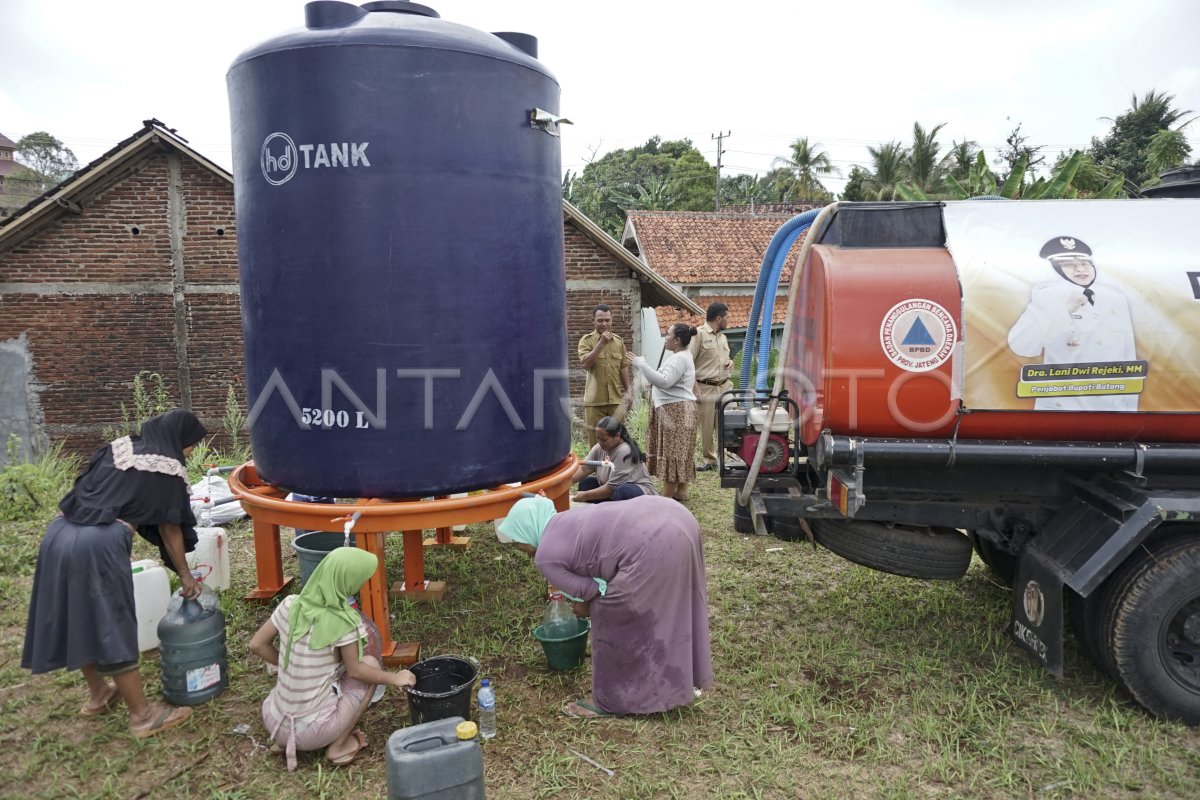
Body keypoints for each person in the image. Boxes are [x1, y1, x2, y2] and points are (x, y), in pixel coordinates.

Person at [21, 409, 208, 738]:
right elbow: (170, 529)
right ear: (181, 439)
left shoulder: (119, 447)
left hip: (59, 533)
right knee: (113, 621)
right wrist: (185, 575)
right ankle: (142, 716)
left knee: (78, 614)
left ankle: (98, 693)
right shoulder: (167, 466)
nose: (191, 452)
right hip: (98, 543)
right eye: (193, 445)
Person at [495, 495, 712, 718]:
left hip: (653, 540)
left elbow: (592, 591)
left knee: (611, 612)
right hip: (676, 515)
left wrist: (582, 607)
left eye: (518, 539)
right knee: (671, 603)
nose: (520, 547)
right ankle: (679, 678)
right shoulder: (564, 520)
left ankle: (613, 700)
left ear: (528, 527)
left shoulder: (544, 557)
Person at [249, 547, 416, 770]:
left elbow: (256, 644)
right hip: (313, 732)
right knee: (370, 665)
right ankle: (338, 746)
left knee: (291, 690)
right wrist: (395, 678)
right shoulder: (344, 621)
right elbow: (356, 671)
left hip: (274, 721)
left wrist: (289, 664)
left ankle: (285, 741)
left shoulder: (290, 603)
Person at [1007, 236, 1138, 411]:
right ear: (1057, 269)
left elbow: (1128, 356)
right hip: (1064, 405)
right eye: (1069, 265)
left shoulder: (1115, 297)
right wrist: (1064, 310)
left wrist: (1129, 410)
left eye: (1085, 263)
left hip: (1110, 404)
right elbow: (1022, 345)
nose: (1080, 269)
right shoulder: (1048, 296)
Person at [627, 323, 698, 502]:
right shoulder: (680, 355)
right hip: (676, 409)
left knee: (673, 452)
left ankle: (665, 497)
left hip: (675, 411)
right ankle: (681, 490)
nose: (665, 338)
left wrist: (641, 364)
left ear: (677, 340)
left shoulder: (679, 358)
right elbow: (668, 380)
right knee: (679, 450)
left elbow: (665, 381)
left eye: (668, 335)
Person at [577, 304, 633, 447]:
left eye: (607, 320)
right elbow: (586, 364)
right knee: (596, 443)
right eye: (600, 320)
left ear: (612, 320)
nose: (604, 324)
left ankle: (617, 469)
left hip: (615, 401)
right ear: (593, 321)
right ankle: (598, 469)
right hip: (594, 401)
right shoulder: (586, 340)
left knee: (619, 441)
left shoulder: (619, 341)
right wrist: (601, 343)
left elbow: (623, 367)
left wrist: (629, 390)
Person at [689, 302, 734, 471]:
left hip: (724, 387)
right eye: (727, 317)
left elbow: (725, 358)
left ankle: (725, 458)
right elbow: (689, 363)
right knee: (707, 426)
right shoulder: (699, 335)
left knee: (726, 423)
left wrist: (730, 363)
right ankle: (710, 460)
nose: (728, 321)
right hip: (705, 387)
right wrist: (695, 389)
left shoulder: (723, 337)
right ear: (719, 318)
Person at [572, 415, 658, 503]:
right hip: (613, 492)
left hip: (638, 494)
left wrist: (585, 495)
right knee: (586, 484)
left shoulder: (624, 451)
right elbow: (584, 469)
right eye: (598, 438)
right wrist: (564, 483)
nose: (600, 443)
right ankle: (608, 511)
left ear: (617, 436)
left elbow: (611, 488)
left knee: (623, 492)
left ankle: (624, 514)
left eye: (604, 440)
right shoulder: (599, 447)